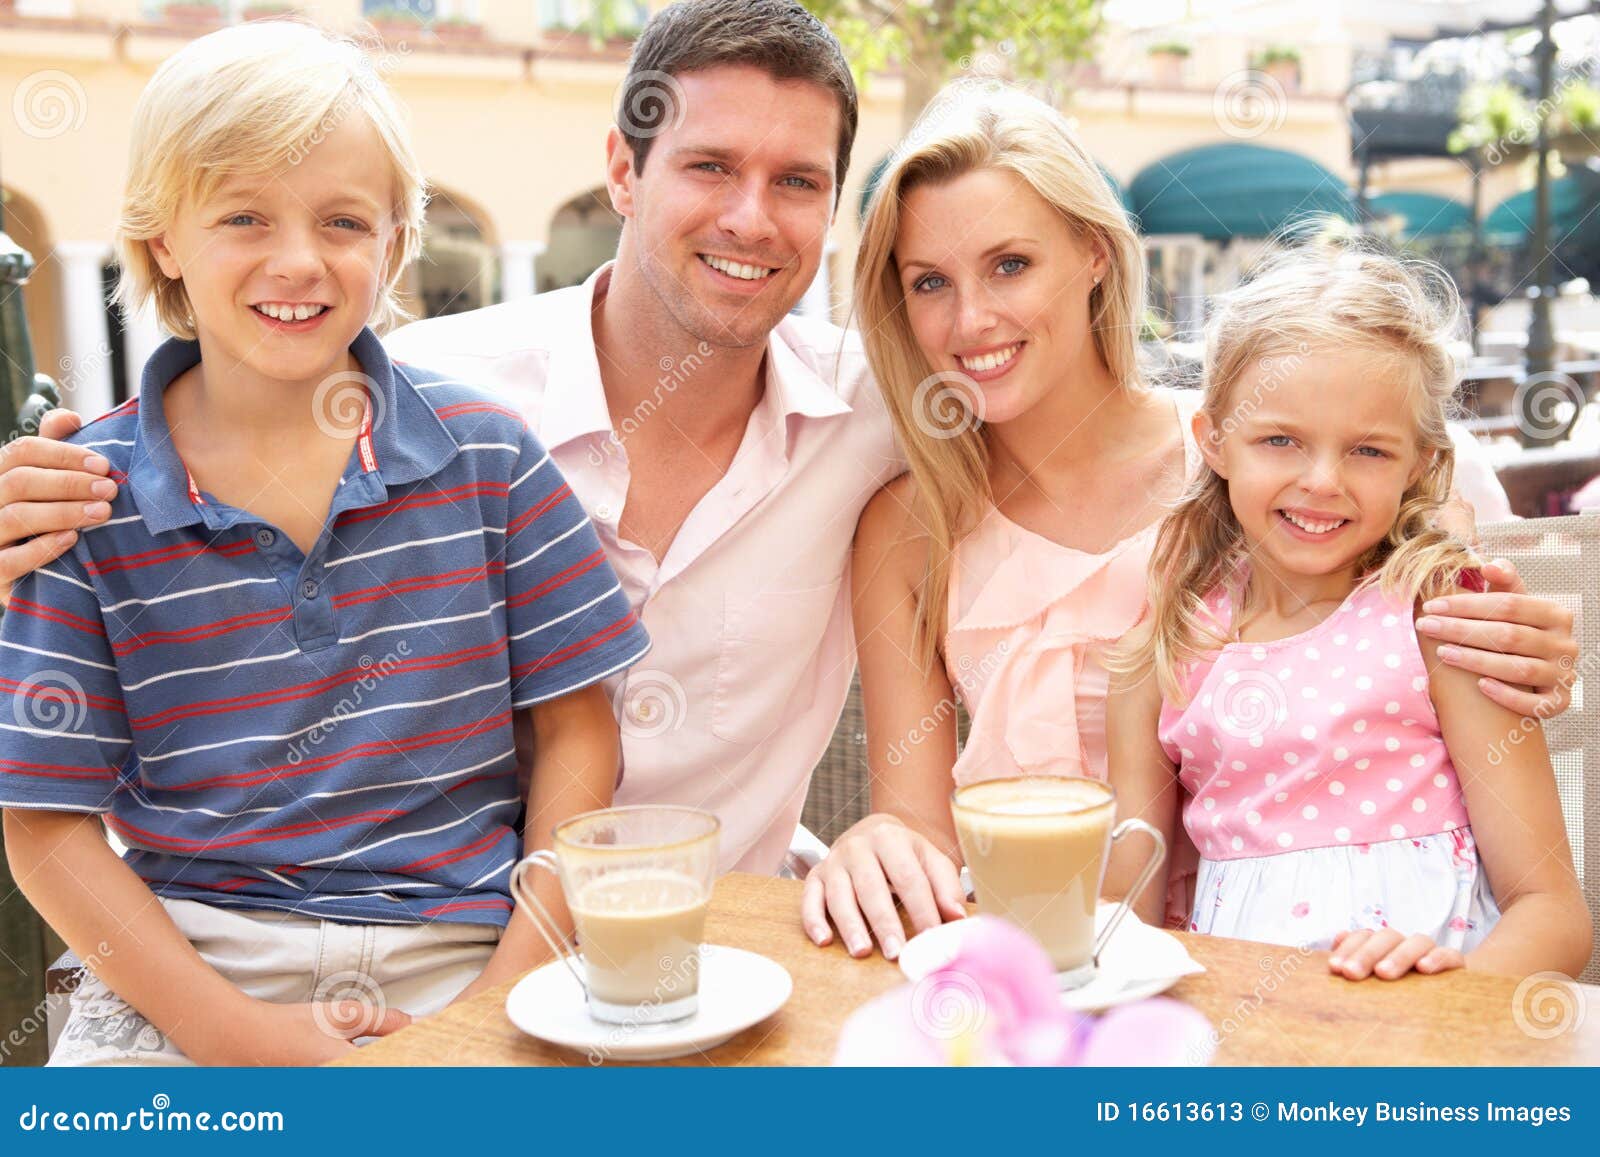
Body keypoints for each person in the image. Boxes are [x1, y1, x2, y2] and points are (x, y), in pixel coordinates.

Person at [0, 11, 1573, 887]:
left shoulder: (915, 427)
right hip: (456, 929)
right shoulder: (428, 398)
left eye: (800, 182)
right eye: (709, 166)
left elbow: (1350, 477)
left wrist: (1516, 607)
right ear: (622, 170)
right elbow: (211, 441)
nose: (752, 219)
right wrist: (47, 488)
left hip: (824, 937)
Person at [799, 83, 1581, 961]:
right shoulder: (908, 528)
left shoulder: (1264, 456)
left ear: (1095, 253)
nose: (971, 319)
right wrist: (877, 843)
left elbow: (1449, 611)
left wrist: (1544, 642)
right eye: (929, 282)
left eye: (1010, 264)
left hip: (1282, 965)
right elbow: (917, 826)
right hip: (1057, 965)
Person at [0, 22, 649, 1066]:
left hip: (470, 948)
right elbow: (42, 822)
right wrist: (246, 1039)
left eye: (343, 220)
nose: (298, 260)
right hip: (185, 974)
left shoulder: (488, 457)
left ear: (393, 240)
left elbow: (580, 731)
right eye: (243, 216)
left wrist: (499, 1004)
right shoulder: (82, 499)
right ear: (162, 239)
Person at [1103, 242, 1591, 981]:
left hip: (1434, 1031)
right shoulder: (1164, 649)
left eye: (1368, 450)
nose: (1323, 481)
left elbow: (1553, 913)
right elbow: (1126, 923)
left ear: (1421, 464)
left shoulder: (1441, 619)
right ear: (1215, 443)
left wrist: (1446, 1004)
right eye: (1280, 440)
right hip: (1245, 1032)